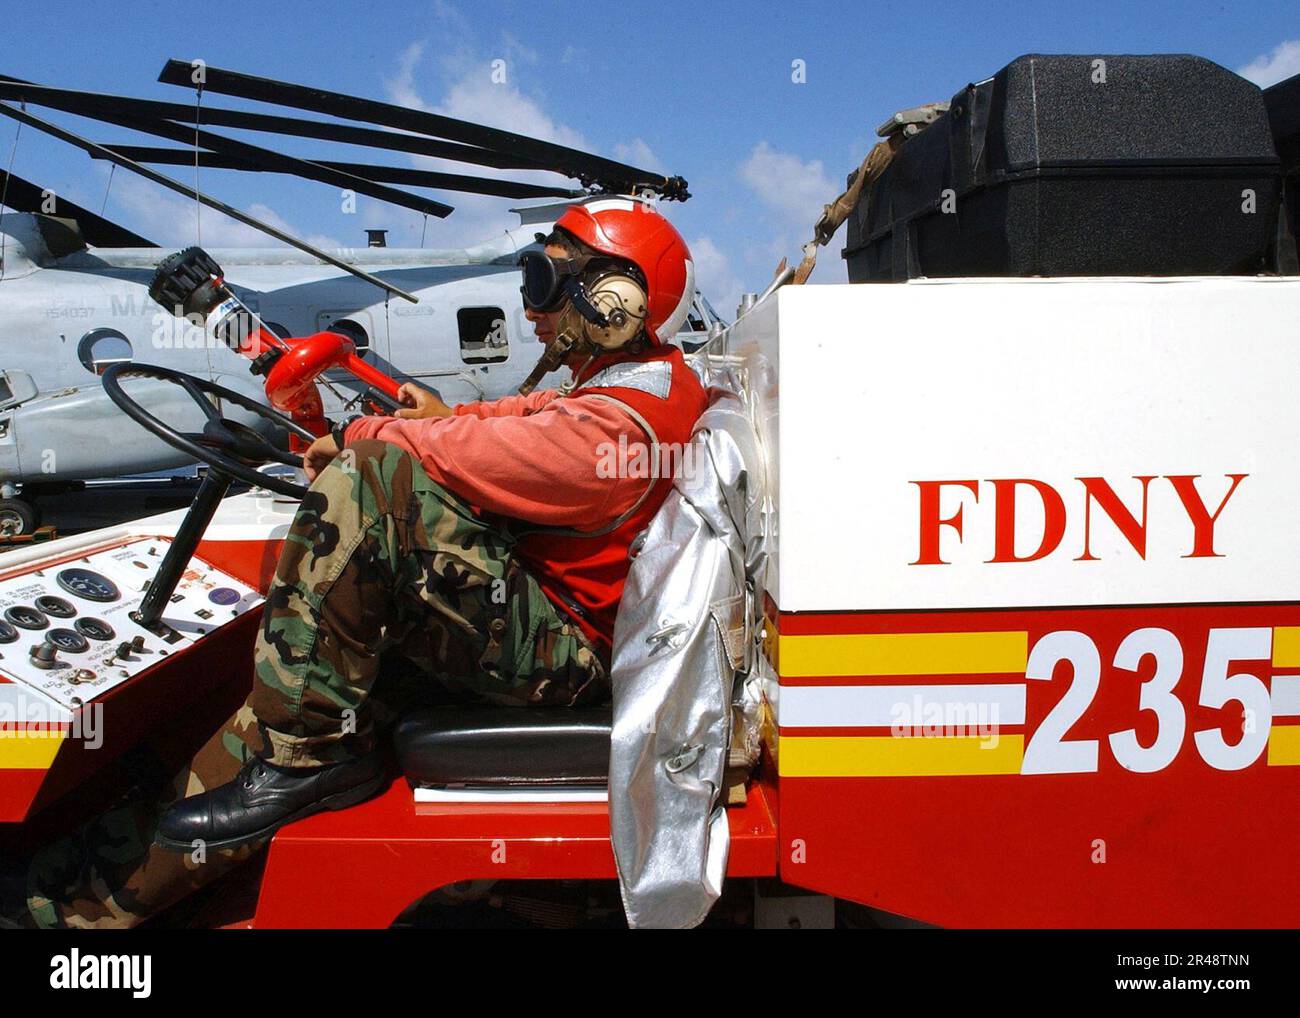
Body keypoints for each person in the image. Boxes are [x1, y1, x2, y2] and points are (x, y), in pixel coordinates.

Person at [2, 196, 709, 927]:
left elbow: (501, 451)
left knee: (370, 478)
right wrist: (431, 418)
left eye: (542, 284)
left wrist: (365, 439)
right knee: (257, 704)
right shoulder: (636, 386)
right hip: (533, 627)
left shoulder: (627, 422)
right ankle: (68, 901)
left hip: (561, 656)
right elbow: (512, 421)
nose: (530, 309)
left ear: (611, 300)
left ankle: (299, 757)